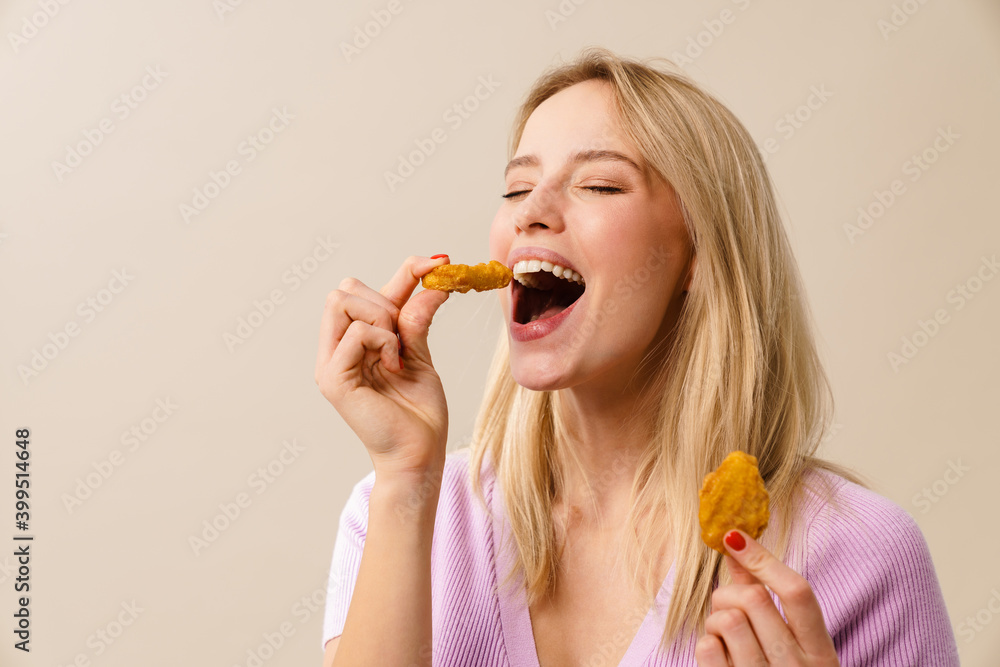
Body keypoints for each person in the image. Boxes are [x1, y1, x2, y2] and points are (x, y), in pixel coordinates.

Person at [315, 48, 959, 666]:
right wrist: (405, 475)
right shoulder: (403, 509)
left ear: (699, 257)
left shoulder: (860, 554)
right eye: (516, 189)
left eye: (598, 185)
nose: (531, 214)